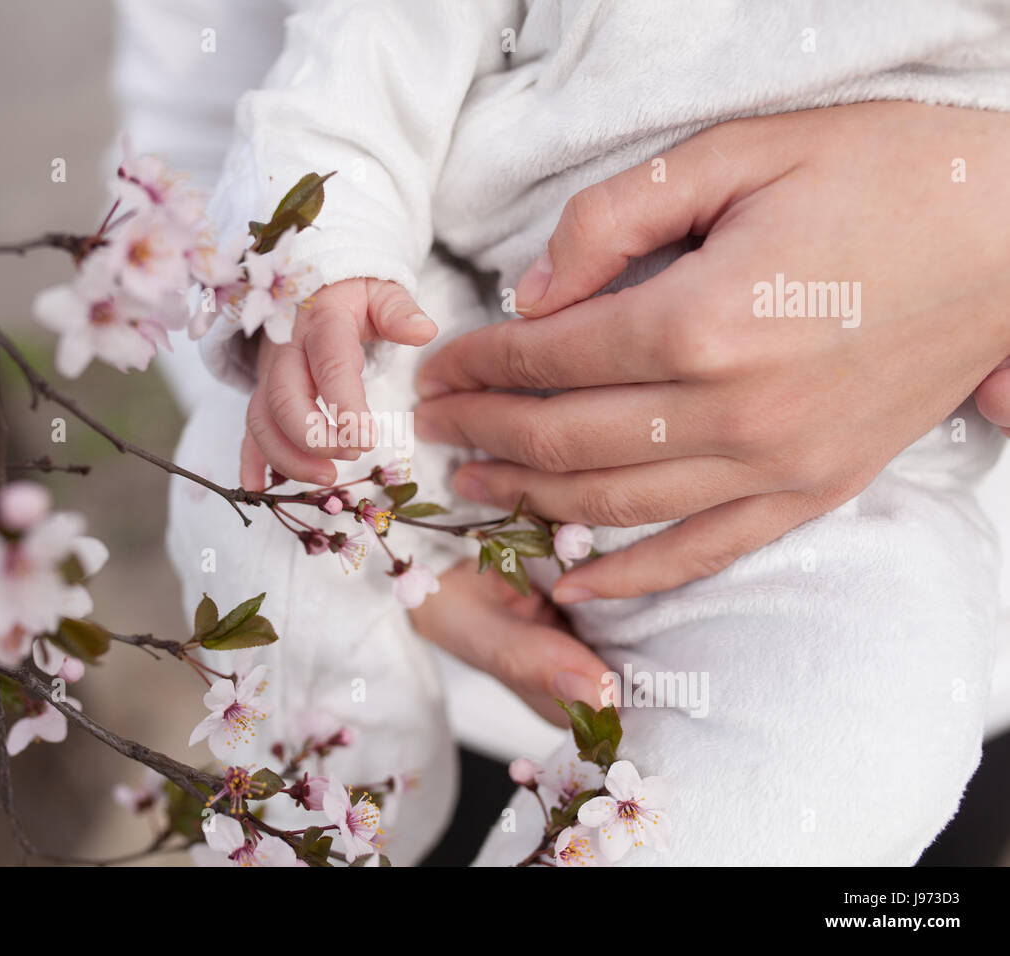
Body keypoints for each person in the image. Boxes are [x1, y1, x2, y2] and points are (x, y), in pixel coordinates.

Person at [155, 0, 1010, 863]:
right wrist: (323, 269)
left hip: (842, 509)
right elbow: (354, 63)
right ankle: (337, 810)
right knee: (261, 463)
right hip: (468, 359)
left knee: (868, 727)